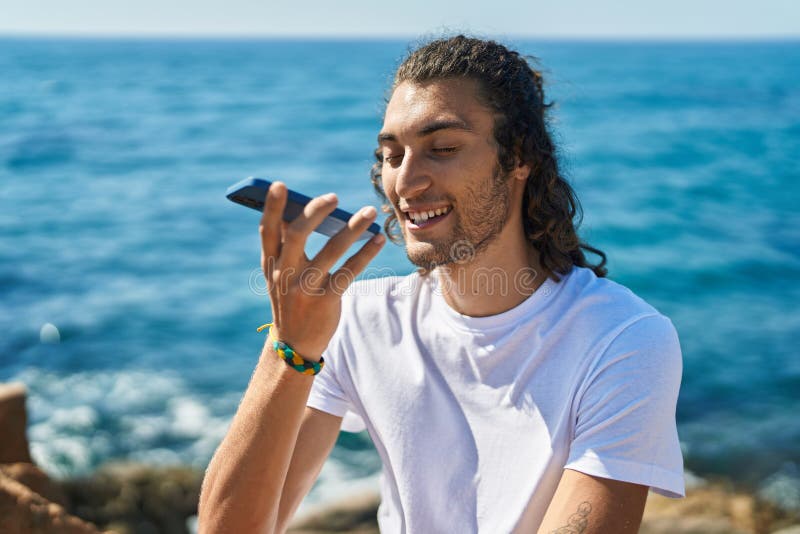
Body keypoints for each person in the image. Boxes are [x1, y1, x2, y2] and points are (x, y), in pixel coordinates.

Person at [198, 35, 685, 533]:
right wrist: (290, 344)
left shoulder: (622, 340)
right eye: (391, 155)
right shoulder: (359, 320)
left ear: (520, 157)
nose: (406, 184)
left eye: (443, 148)